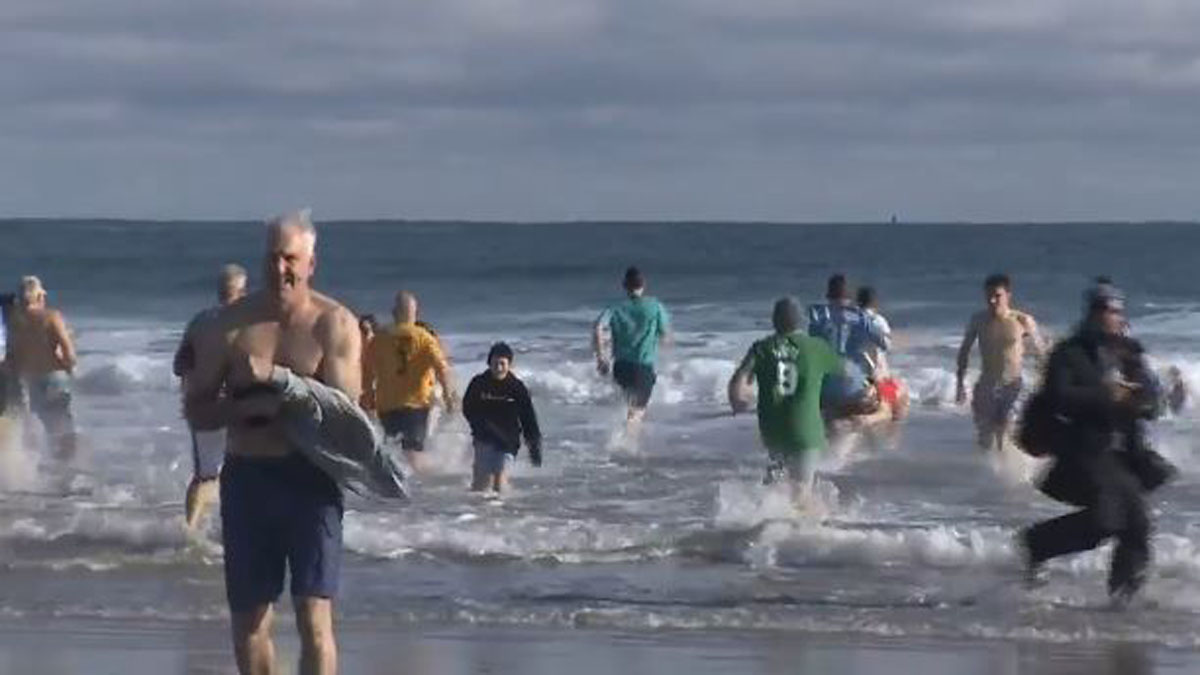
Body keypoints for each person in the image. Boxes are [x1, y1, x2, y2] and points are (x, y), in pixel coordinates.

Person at [184, 210, 360, 675]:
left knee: (313, 618)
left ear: (310, 263)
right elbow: (197, 408)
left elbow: (348, 418)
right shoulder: (231, 326)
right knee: (249, 620)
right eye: (271, 258)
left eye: (290, 258)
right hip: (248, 479)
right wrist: (241, 410)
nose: (280, 268)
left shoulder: (334, 324)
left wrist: (278, 387)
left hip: (312, 481)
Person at [1018, 282, 1169, 606]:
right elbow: (1059, 396)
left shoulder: (1130, 352)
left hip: (1125, 454)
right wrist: (1107, 394)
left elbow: (1152, 400)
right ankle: (1038, 542)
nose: (1109, 316)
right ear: (1091, 313)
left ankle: (1123, 600)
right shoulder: (1069, 353)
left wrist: (1138, 398)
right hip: (1082, 452)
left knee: (1138, 525)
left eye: (1114, 310)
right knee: (1105, 520)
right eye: (1103, 309)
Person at [728, 298, 844, 499]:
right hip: (805, 430)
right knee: (802, 491)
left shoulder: (762, 348)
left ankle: (767, 522)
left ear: (774, 320)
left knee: (777, 486)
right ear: (801, 321)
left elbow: (738, 382)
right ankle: (811, 528)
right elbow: (845, 377)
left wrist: (738, 401)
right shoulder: (816, 347)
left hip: (773, 432)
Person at [173, 264, 248, 532]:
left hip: (202, 403)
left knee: (205, 474)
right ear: (243, 291)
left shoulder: (199, 321)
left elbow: (179, 365)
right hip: (238, 404)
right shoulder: (248, 323)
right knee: (244, 471)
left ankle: (190, 528)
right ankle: (237, 530)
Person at [363, 291, 457, 473]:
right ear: (415, 313)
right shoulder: (425, 338)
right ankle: (430, 480)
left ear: (394, 312)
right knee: (412, 453)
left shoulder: (379, 339)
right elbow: (442, 368)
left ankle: (411, 488)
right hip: (417, 405)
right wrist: (449, 397)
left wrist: (367, 395)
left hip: (387, 405)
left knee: (395, 451)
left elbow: (367, 370)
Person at [956, 273, 1045, 452]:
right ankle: (986, 472)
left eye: (997, 296)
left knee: (1006, 429)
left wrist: (1045, 386)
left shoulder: (1021, 320)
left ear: (1008, 295)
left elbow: (1040, 354)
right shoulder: (978, 320)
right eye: (988, 296)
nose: (992, 301)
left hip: (1013, 383)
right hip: (987, 383)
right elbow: (964, 351)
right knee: (985, 435)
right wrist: (960, 383)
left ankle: (1010, 469)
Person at [593, 267, 671, 437]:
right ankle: (627, 448)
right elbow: (665, 336)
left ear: (624, 286)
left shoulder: (615, 308)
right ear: (644, 285)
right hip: (643, 366)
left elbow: (598, 327)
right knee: (637, 413)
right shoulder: (655, 306)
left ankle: (619, 441)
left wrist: (601, 358)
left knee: (628, 407)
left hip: (620, 367)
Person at [7, 276, 78, 458]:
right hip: (54, 377)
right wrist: (70, 369)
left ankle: (37, 471)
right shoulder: (51, 317)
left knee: (38, 425)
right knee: (62, 428)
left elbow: (12, 356)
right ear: (39, 296)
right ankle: (66, 471)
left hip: (30, 379)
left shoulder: (14, 321)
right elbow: (67, 349)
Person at [462, 342, 542, 493]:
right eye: (495, 363)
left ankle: (502, 512)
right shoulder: (478, 383)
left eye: (502, 364)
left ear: (509, 364)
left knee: (499, 479)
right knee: (480, 483)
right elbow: (468, 408)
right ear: (489, 363)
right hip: (484, 438)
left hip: (508, 440)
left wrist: (534, 445)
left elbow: (528, 417)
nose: (498, 368)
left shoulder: (517, 387)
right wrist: (479, 426)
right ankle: (476, 512)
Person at [807, 274, 888, 418]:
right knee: (884, 407)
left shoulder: (818, 319)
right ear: (850, 298)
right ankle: (868, 422)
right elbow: (884, 344)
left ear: (828, 296)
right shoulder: (862, 319)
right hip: (853, 393)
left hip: (824, 394)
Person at [857, 286, 909, 421]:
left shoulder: (851, 320)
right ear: (874, 303)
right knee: (902, 394)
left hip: (854, 379)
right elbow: (886, 346)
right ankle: (892, 431)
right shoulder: (877, 321)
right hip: (875, 382)